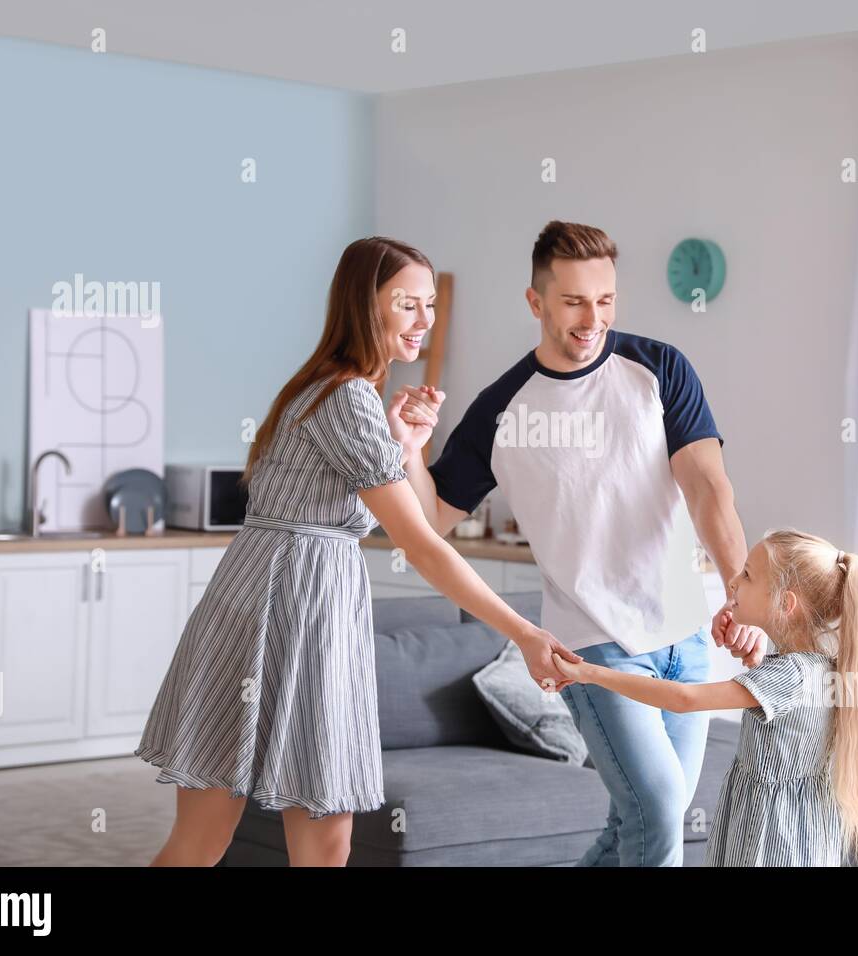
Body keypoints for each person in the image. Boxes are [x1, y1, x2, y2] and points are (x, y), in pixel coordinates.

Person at [135, 236, 581, 867]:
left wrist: (404, 446)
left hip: (261, 602)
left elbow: (421, 523)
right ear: (364, 305)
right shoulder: (346, 398)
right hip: (296, 609)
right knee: (319, 843)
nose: (425, 320)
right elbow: (423, 546)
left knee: (205, 841)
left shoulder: (323, 389)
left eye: (429, 304)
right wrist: (524, 631)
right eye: (408, 304)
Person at [389, 220, 766, 866]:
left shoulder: (658, 370)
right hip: (593, 644)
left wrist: (739, 588)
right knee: (655, 812)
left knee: (641, 822)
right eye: (573, 302)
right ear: (536, 303)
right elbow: (433, 519)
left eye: (606, 300)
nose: (593, 318)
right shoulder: (503, 410)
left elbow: (707, 488)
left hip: (686, 638)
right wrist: (407, 450)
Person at [553, 530, 858, 867]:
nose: (733, 581)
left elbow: (683, 699)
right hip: (803, 830)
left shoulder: (787, 676)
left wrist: (589, 673)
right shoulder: (821, 668)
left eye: (747, 575)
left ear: (785, 603)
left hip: (770, 834)